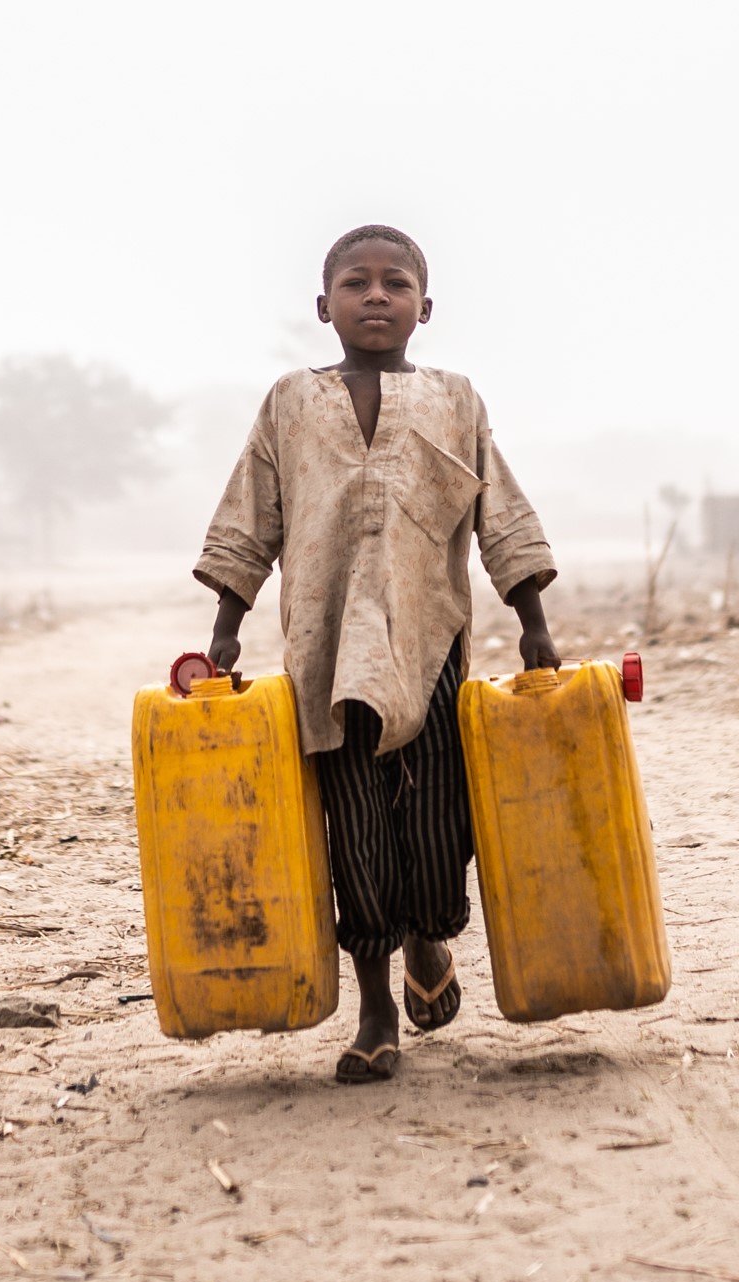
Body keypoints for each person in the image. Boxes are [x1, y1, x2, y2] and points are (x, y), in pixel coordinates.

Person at [192, 224, 560, 1084]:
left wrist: (531, 616)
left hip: (427, 641)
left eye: (396, 283)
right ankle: (374, 1006)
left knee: (436, 824)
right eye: (355, 283)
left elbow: (498, 511)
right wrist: (223, 627)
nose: (376, 296)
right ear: (323, 307)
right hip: (324, 656)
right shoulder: (289, 402)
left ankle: (429, 940)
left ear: (424, 307)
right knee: (354, 830)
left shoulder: (455, 399)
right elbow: (252, 515)